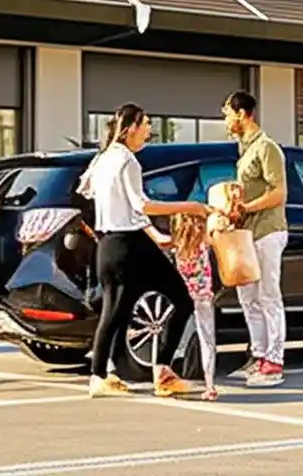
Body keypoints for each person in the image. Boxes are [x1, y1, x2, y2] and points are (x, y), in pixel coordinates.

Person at [78, 102, 209, 398]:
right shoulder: (128, 161)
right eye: (146, 124)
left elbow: (105, 201)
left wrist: (155, 235)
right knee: (181, 298)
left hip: (109, 245)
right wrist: (192, 206)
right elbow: (142, 205)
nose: (149, 130)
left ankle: (101, 375)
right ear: (132, 126)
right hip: (129, 246)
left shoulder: (101, 160)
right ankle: (161, 371)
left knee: (116, 311)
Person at [221, 90, 288, 388]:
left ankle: (274, 360)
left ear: (242, 114)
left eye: (227, 114)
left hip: (268, 231)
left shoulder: (267, 148)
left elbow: (279, 192)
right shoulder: (243, 150)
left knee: (268, 296)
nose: (225, 120)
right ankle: (258, 356)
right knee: (247, 297)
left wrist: (247, 207)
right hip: (246, 233)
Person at [169, 211, 218, 401]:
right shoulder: (203, 244)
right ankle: (209, 384)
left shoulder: (176, 247)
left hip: (183, 296)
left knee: (178, 334)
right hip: (203, 295)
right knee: (207, 339)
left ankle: (169, 368)